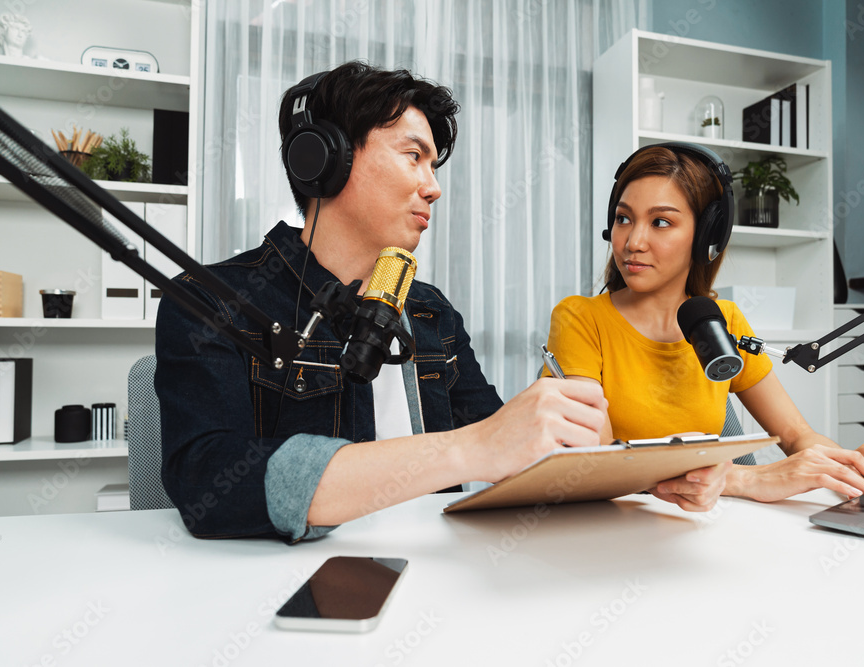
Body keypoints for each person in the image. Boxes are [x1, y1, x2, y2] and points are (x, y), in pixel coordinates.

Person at [155, 62, 616, 543]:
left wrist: (597, 456)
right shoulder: (213, 299)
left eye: (433, 166)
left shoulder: (430, 312)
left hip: (435, 578)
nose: (433, 187)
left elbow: (499, 444)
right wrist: (466, 450)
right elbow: (209, 484)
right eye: (413, 156)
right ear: (324, 160)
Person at [545, 143, 864, 511]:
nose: (632, 241)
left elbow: (795, 435)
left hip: (702, 531)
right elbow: (599, 468)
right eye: (623, 219)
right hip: (614, 532)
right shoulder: (581, 319)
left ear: (707, 234)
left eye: (661, 223)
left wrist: (858, 464)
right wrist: (743, 477)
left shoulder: (722, 322)